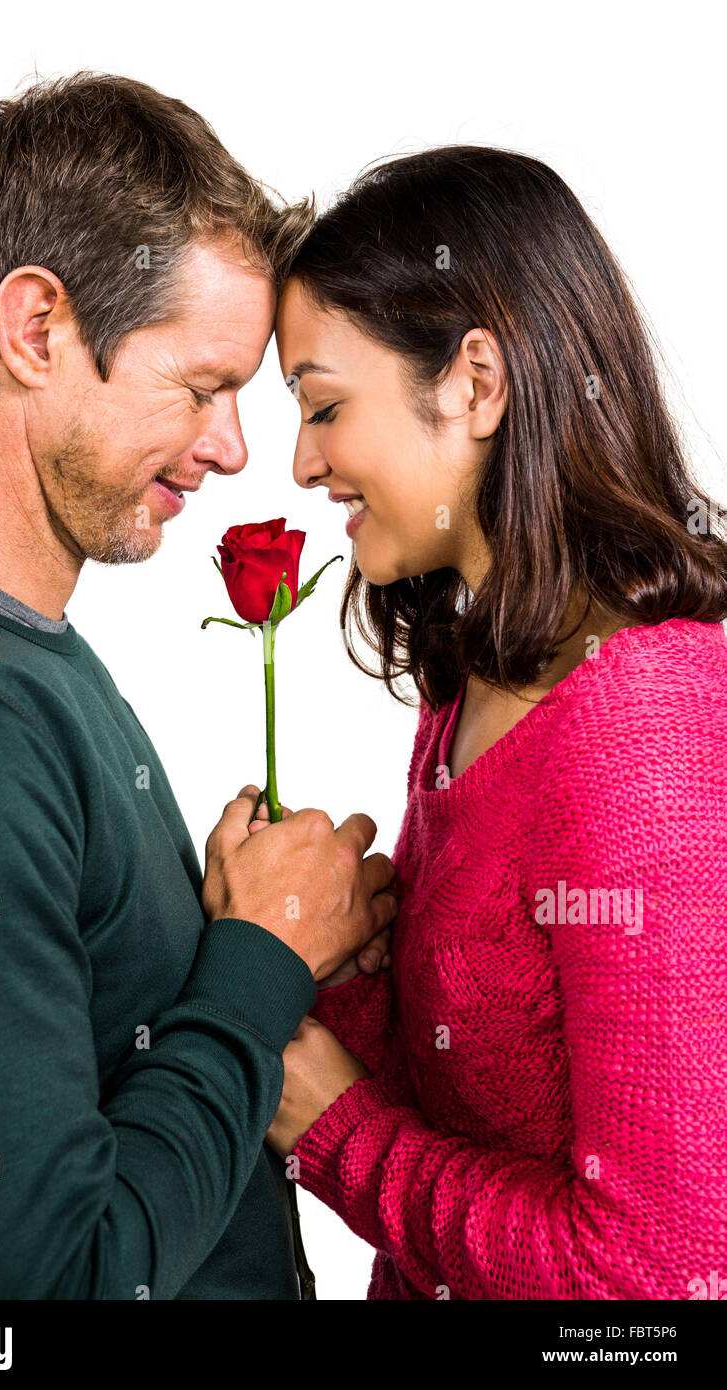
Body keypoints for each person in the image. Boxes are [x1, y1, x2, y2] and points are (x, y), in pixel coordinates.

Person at [0, 71, 397, 1300]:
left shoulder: (16, 659)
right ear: (35, 330)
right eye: (200, 386)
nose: (233, 448)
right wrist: (255, 963)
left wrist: (249, 946)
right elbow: (35, 1296)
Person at [264, 144, 727, 1299]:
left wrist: (337, 1133)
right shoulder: (469, 677)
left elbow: (656, 1278)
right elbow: (469, 1106)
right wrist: (328, 959)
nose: (302, 460)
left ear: (474, 382)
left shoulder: (640, 730)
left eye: (323, 406)